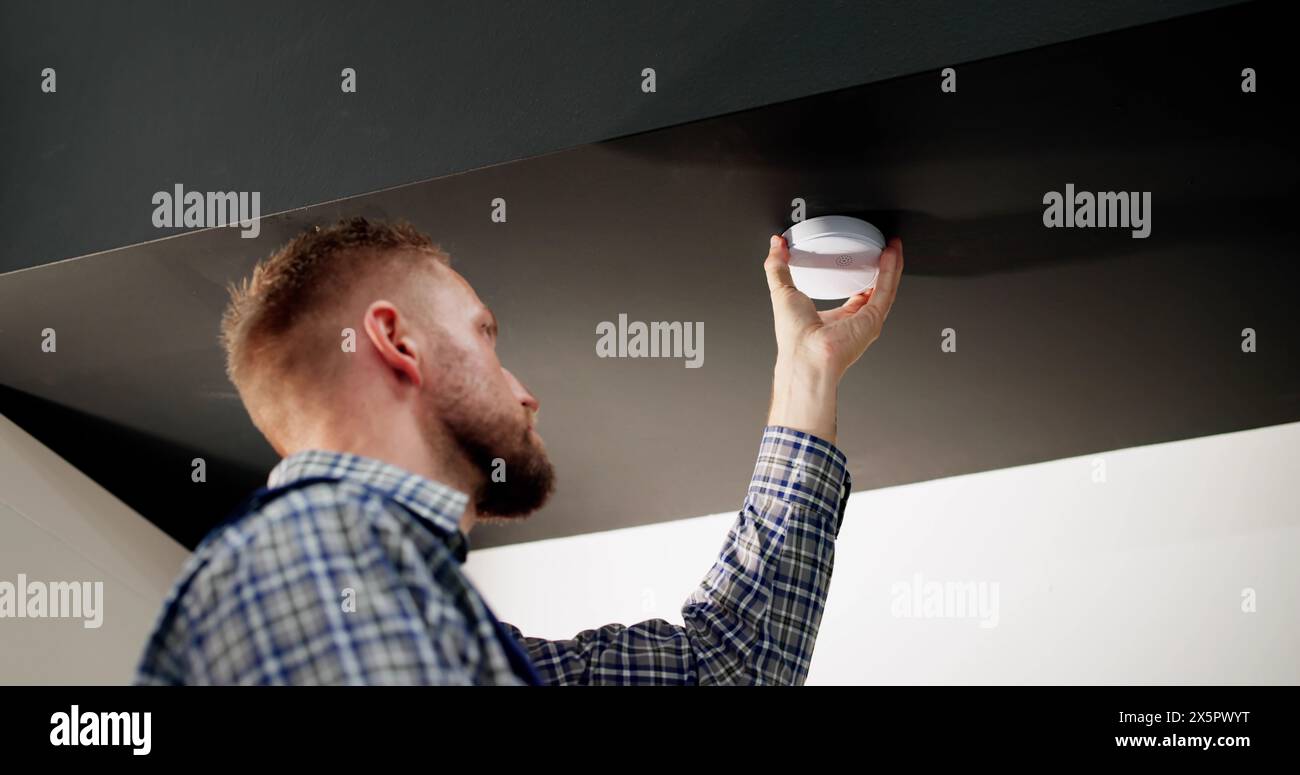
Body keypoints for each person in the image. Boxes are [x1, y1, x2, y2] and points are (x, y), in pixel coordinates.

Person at [135, 217, 903, 685]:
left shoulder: (450, 637)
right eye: (484, 335)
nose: (525, 391)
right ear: (396, 340)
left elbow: (728, 665)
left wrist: (808, 369)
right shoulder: (310, 568)